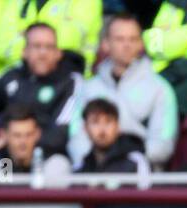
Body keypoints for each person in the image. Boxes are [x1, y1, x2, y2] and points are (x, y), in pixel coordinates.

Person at [0, 23, 80, 165]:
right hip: (8, 159)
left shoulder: (70, 82)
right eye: (36, 46)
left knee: (57, 169)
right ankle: (5, 184)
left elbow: (62, 134)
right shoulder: (12, 77)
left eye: (49, 47)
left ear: (58, 53)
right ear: (24, 51)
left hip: (47, 159)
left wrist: (11, 144)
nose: (43, 53)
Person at [69, 14, 178, 169]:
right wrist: (94, 160)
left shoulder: (160, 88)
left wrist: (126, 158)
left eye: (133, 39)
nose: (127, 45)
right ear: (106, 43)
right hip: (93, 170)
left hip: (139, 173)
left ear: (141, 44)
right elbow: (76, 134)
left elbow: (164, 143)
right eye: (120, 39)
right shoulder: (89, 87)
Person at [0, 0, 101, 76]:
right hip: (20, 80)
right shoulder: (19, 2)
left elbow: (66, 41)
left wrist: (24, 37)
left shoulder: (85, 1)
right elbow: (1, 46)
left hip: (67, 79)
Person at [0, 103, 73, 181]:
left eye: (28, 135)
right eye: (17, 135)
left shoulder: (53, 163)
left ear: (38, 134)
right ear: (4, 135)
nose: (23, 142)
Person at [76, 98, 149, 174]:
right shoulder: (80, 167)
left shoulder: (135, 162)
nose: (102, 129)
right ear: (85, 128)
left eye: (108, 121)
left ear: (118, 126)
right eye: (95, 122)